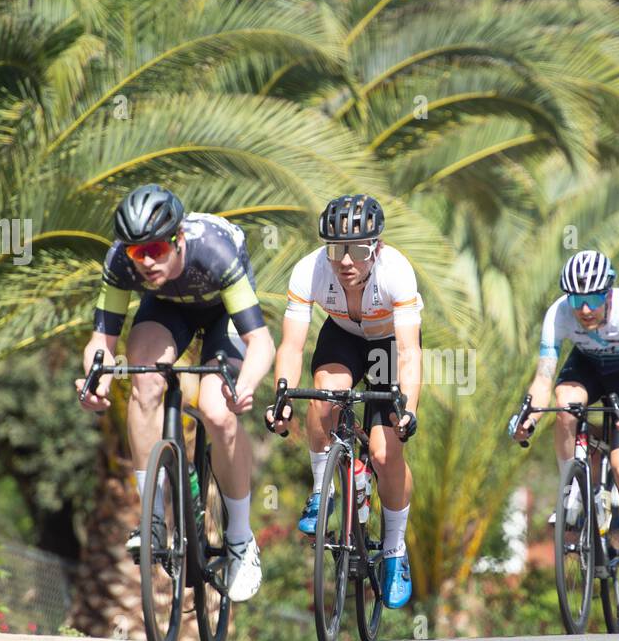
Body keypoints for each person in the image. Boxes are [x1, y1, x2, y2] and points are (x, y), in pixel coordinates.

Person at [77, 184, 273, 602]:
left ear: (177, 239)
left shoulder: (214, 252)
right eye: (136, 252)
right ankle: (152, 517)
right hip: (167, 310)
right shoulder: (120, 261)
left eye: (156, 249)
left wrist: (247, 386)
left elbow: (261, 341)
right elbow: (101, 342)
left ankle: (239, 538)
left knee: (218, 412)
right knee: (145, 380)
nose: (146, 261)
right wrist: (97, 379)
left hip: (225, 310)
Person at [268, 194, 421, 609]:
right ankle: (322, 491)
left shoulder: (397, 273)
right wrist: (281, 395)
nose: (346, 261)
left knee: (385, 452)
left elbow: (408, 352)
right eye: (336, 249)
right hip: (343, 338)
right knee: (323, 396)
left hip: (388, 345)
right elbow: (292, 345)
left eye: (358, 249)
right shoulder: (310, 270)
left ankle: (394, 550)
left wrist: (408, 410)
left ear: (378, 247)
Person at [508, 250, 619, 613]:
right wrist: (527, 416)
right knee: (564, 406)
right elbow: (544, 378)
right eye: (578, 300)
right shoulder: (559, 313)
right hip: (587, 367)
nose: (585, 309)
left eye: (593, 299)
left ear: (608, 294)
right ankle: (572, 489)